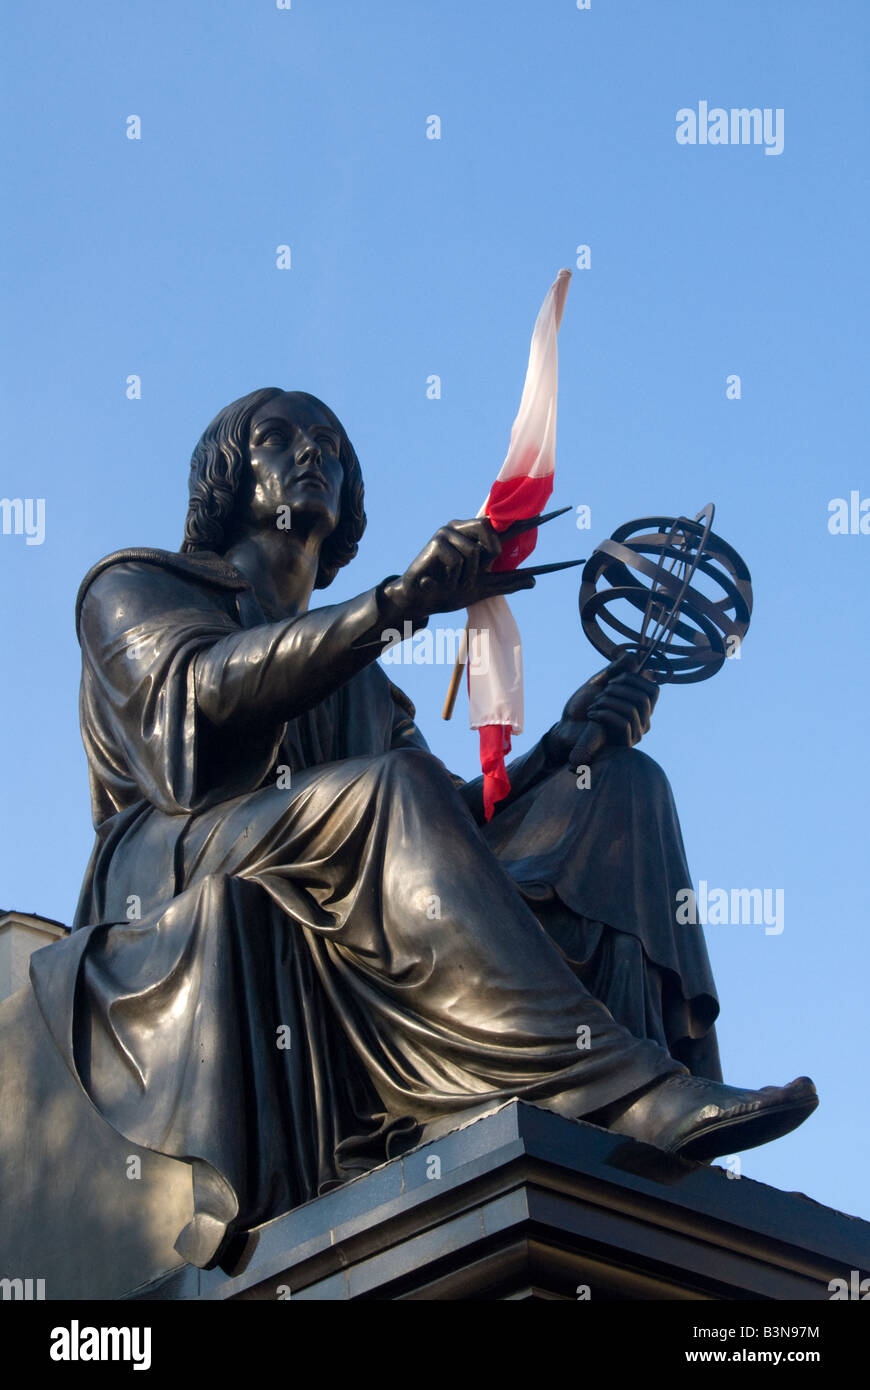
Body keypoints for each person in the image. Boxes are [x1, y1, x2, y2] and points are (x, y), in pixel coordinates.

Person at [31, 387, 817, 1269]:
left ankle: (655, 1129)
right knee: (384, 792)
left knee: (619, 787)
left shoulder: (367, 689)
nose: (311, 455)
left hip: (340, 835)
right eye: (279, 438)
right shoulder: (134, 585)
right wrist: (397, 604)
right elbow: (205, 698)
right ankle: (617, 1094)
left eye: (330, 445)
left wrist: (562, 749)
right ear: (226, 473)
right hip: (174, 859)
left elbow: (454, 829)